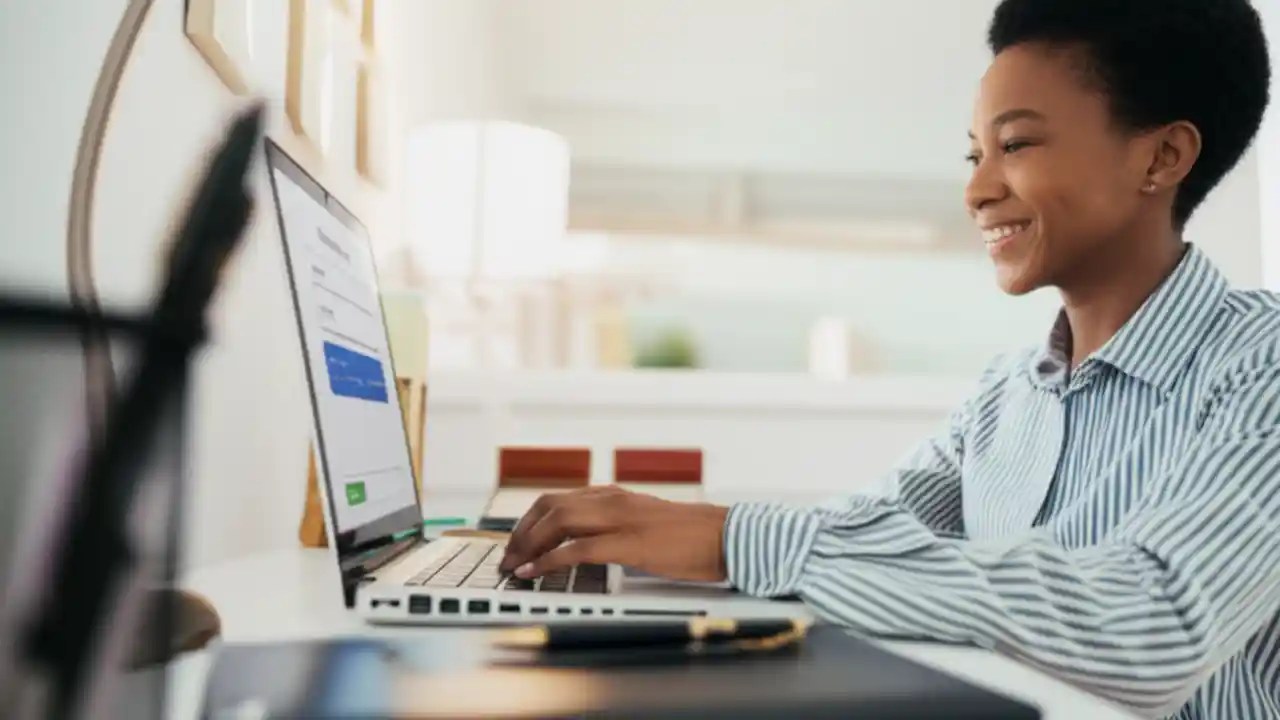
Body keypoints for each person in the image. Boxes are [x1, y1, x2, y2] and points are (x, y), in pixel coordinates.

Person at [499, 0, 1274, 717]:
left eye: (1015, 145)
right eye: (974, 153)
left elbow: (1155, 624)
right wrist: (659, 540)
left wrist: (734, 540)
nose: (976, 189)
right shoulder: (1005, 396)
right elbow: (857, 533)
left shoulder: (1261, 365)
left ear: (1162, 157)